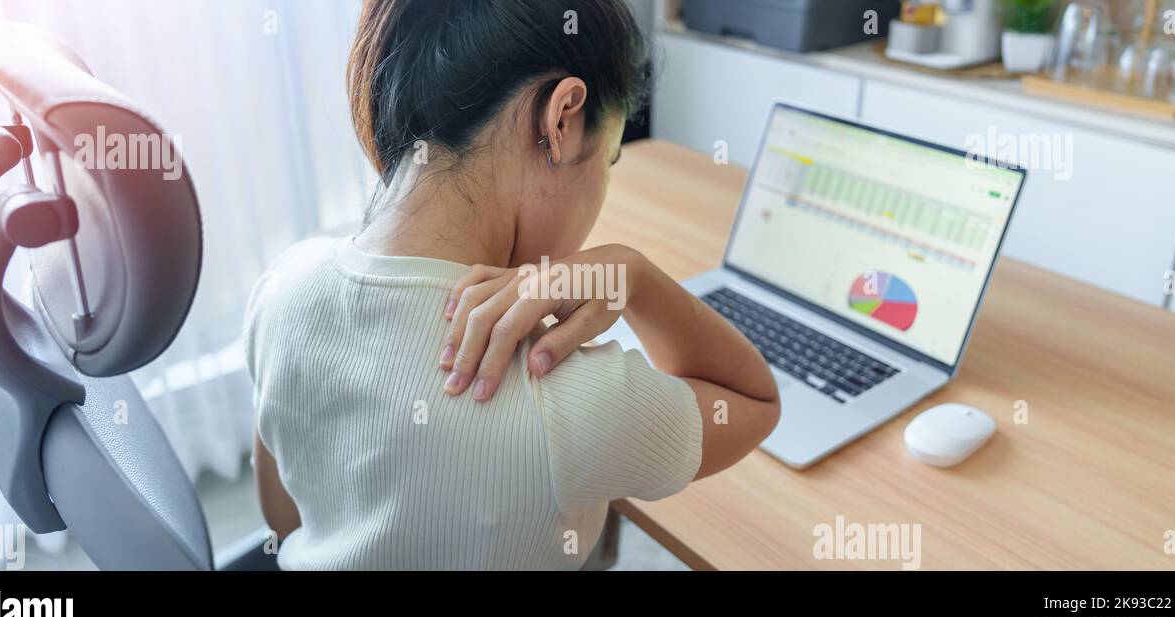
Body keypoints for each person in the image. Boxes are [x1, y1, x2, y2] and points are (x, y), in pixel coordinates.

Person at [244, 0, 780, 570]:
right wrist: (633, 275)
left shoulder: (283, 289)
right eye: (611, 158)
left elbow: (285, 520)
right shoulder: (564, 393)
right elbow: (754, 401)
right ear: (564, 120)